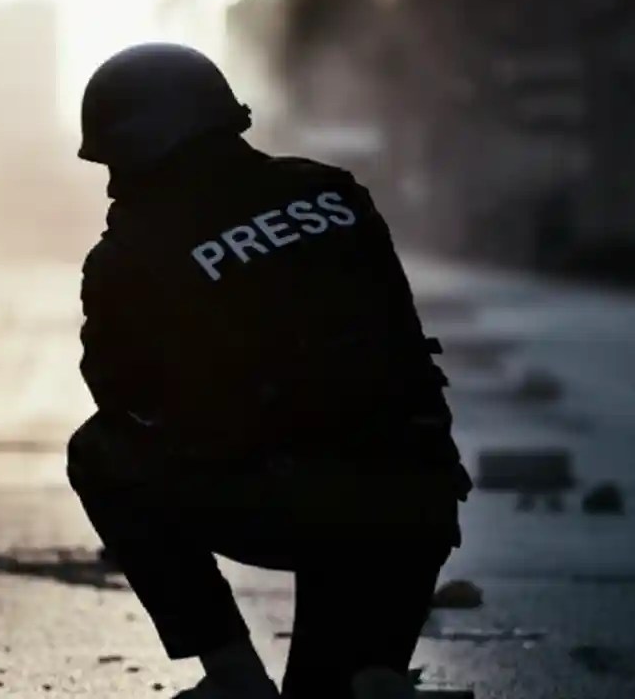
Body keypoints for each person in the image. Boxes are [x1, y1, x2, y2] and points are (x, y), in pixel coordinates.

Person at [67, 43, 470, 699]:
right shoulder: (332, 191)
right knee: (343, 687)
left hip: (298, 502)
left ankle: (233, 677)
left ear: (147, 149)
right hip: (412, 509)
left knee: (98, 454)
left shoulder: (132, 253)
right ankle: (375, 677)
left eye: (114, 163)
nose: (112, 184)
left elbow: (122, 398)